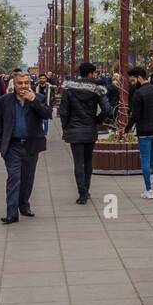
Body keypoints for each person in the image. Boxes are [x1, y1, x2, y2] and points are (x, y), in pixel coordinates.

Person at [0, 71, 53, 224]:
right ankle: (12, 213)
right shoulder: (4, 100)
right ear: (14, 84)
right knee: (14, 178)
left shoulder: (38, 98)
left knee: (27, 179)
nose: (23, 86)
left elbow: (48, 115)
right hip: (12, 146)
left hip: (31, 145)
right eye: (20, 83)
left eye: (26, 83)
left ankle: (24, 204)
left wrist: (34, 101)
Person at [59, 62, 112, 204]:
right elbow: (107, 109)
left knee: (78, 162)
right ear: (90, 73)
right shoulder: (97, 88)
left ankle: (82, 193)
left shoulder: (69, 89)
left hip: (74, 130)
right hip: (89, 129)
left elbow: (63, 111)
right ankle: (86, 190)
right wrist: (96, 120)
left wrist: (66, 126)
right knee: (88, 161)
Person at [125, 66, 153, 198]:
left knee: (146, 160)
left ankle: (148, 190)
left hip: (144, 131)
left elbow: (135, 115)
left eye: (132, 80)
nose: (132, 83)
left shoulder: (138, 93)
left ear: (139, 78)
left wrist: (126, 129)